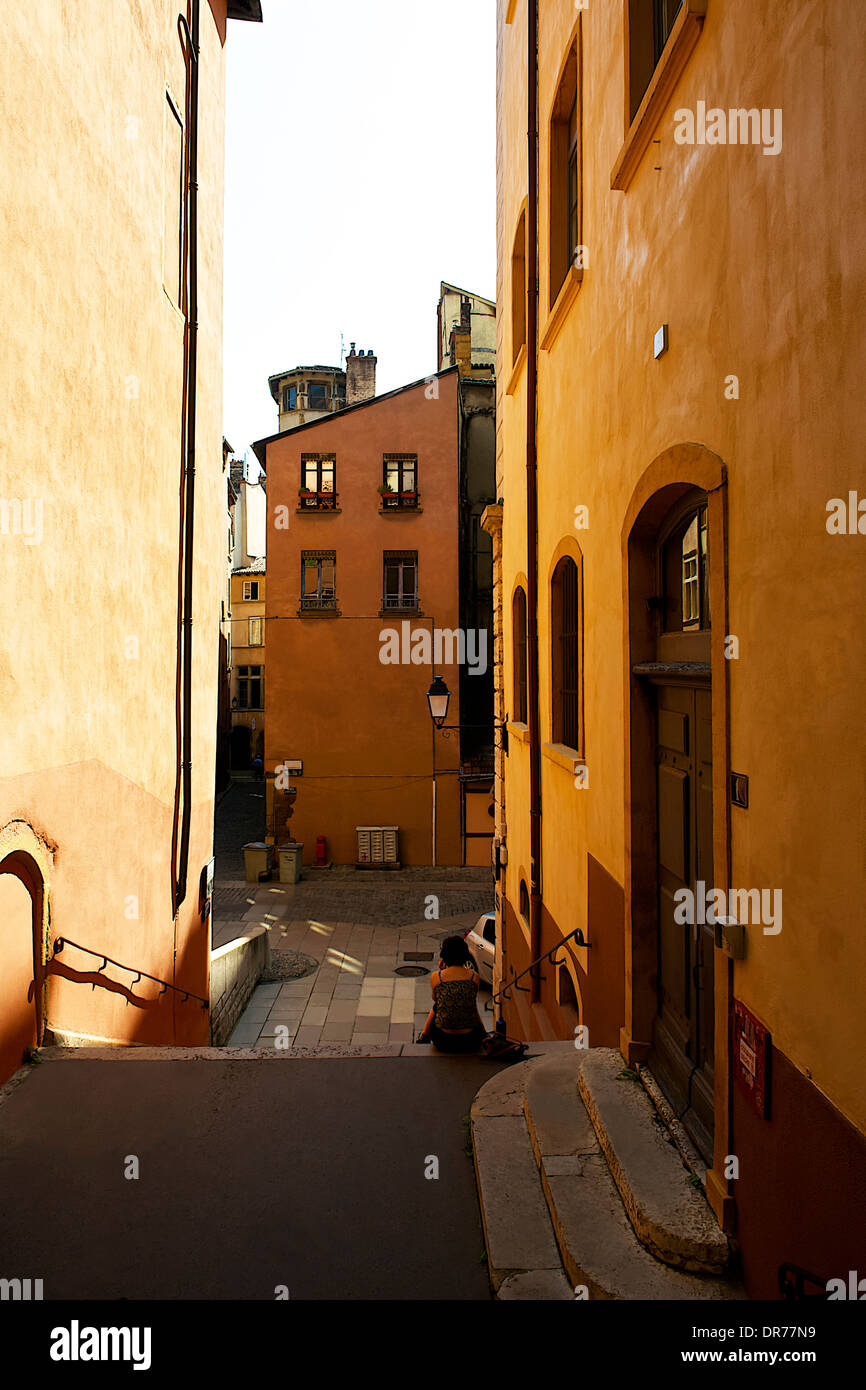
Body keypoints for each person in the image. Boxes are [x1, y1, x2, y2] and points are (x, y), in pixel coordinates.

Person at [416, 935, 487, 1053]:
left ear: (444, 956)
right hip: (470, 1041)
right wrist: (483, 1033)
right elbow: (472, 1005)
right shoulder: (474, 977)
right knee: (469, 1005)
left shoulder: (437, 977)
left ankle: (424, 1036)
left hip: (443, 1041)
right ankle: (484, 1035)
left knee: (438, 1006)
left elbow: (436, 1000)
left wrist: (441, 970)